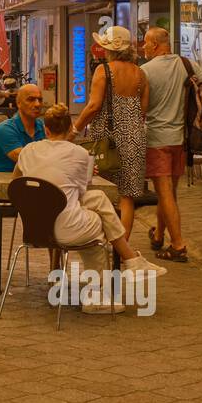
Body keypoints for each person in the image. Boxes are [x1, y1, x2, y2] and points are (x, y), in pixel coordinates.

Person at [16, 104, 167, 312]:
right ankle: (99, 293)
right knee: (99, 222)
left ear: (46, 129)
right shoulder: (79, 153)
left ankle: (131, 260)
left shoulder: (28, 150)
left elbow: (18, 182)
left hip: (35, 229)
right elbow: (79, 191)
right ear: (70, 129)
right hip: (64, 230)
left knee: (97, 199)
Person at [141, 26, 202, 263]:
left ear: (155, 45)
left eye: (145, 42)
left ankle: (178, 245)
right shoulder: (186, 64)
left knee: (164, 193)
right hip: (179, 139)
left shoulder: (144, 71)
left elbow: (142, 108)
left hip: (156, 139)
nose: (143, 46)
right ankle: (158, 235)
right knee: (169, 192)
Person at [72, 26, 148, 243]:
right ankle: (121, 248)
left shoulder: (103, 70)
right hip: (134, 137)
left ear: (109, 50)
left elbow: (94, 105)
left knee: (102, 192)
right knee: (127, 196)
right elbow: (143, 109)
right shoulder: (140, 73)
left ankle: (102, 241)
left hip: (107, 139)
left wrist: (75, 128)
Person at [0, 83, 46, 172]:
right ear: (18, 103)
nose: (37, 104)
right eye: (31, 99)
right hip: (5, 182)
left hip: (31, 179)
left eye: (40, 99)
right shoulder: (5, 129)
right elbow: (26, 160)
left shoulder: (41, 126)